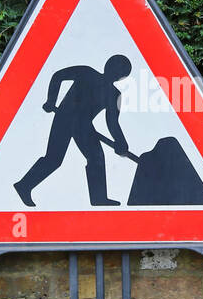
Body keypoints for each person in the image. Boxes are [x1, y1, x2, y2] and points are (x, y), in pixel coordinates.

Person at [14, 55, 132, 207]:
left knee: (95, 158)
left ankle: (98, 198)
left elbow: (112, 121)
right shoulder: (87, 73)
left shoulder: (113, 93)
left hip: (82, 125)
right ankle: (24, 186)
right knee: (54, 159)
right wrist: (51, 100)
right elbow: (59, 76)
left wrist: (120, 141)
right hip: (65, 117)